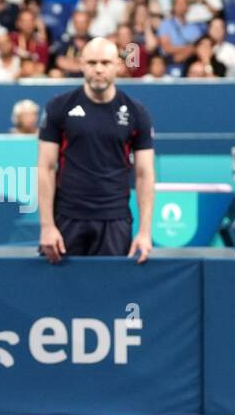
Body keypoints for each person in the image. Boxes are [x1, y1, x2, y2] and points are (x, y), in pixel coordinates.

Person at [37, 37, 155, 263]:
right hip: (67, 218)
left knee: (111, 294)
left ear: (118, 65)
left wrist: (145, 232)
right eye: (91, 63)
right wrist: (47, 226)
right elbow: (46, 167)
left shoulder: (136, 112)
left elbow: (145, 174)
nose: (98, 69)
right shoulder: (58, 107)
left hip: (115, 220)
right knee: (60, 296)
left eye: (105, 63)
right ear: (81, 64)